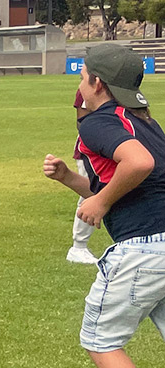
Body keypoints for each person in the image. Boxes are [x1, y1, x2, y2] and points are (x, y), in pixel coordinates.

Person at [40, 43, 165, 368]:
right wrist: (72, 181)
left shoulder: (98, 122)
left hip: (144, 248)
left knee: (101, 340)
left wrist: (101, 200)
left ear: (97, 83)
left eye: (83, 77)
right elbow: (123, 177)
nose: (80, 85)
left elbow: (138, 166)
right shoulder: (145, 123)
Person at [68, 90, 100, 264]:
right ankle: (78, 247)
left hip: (117, 147)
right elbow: (82, 123)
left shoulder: (120, 86)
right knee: (89, 193)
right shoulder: (88, 88)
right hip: (92, 150)